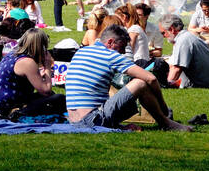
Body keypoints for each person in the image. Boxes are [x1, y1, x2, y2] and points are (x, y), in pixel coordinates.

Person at [64, 23, 192, 130]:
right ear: (110, 42)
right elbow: (150, 78)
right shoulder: (110, 55)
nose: (123, 52)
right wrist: (163, 106)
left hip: (74, 120)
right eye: (122, 47)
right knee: (140, 83)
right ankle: (166, 123)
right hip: (92, 120)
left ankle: (114, 124)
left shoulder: (81, 51)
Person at [0, 30, 66, 120]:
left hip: (4, 106)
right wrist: (47, 65)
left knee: (52, 97)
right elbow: (45, 91)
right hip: (11, 110)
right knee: (59, 99)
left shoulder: (13, 55)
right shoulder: (27, 62)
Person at [160, 15, 209, 89]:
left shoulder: (183, 40)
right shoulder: (187, 36)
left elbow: (176, 69)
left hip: (201, 85)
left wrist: (166, 86)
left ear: (172, 29)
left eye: (163, 33)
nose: (163, 36)